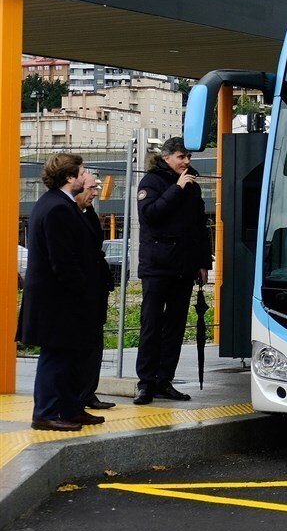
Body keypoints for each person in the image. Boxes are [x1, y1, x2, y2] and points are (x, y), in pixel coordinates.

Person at [18, 155, 111, 431]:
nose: (86, 177)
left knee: (70, 355)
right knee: (56, 356)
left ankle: (71, 409)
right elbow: (63, 260)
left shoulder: (60, 204)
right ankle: (45, 413)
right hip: (57, 299)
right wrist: (82, 291)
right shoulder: (58, 208)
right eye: (82, 172)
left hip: (61, 298)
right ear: (70, 178)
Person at [133, 137, 212, 405]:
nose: (186, 161)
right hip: (156, 267)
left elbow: (199, 227)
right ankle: (145, 383)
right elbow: (151, 215)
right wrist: (176, 189)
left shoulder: (192, 186)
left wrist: (203, 263)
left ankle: (164, 380)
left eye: (188, 156)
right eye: (181, 157)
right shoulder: (151, 181)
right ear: (166, 158)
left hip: (183, 266)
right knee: (151, 325)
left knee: (175, 327)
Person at [75, 171, 116, 411]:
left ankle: (88, 392)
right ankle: (77, 396)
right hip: (80, 291)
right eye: (91, 188)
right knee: (78, 346)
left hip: (94, 290)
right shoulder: (65, 213)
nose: (95, 192)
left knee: (94, 343)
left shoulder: (87, 213)